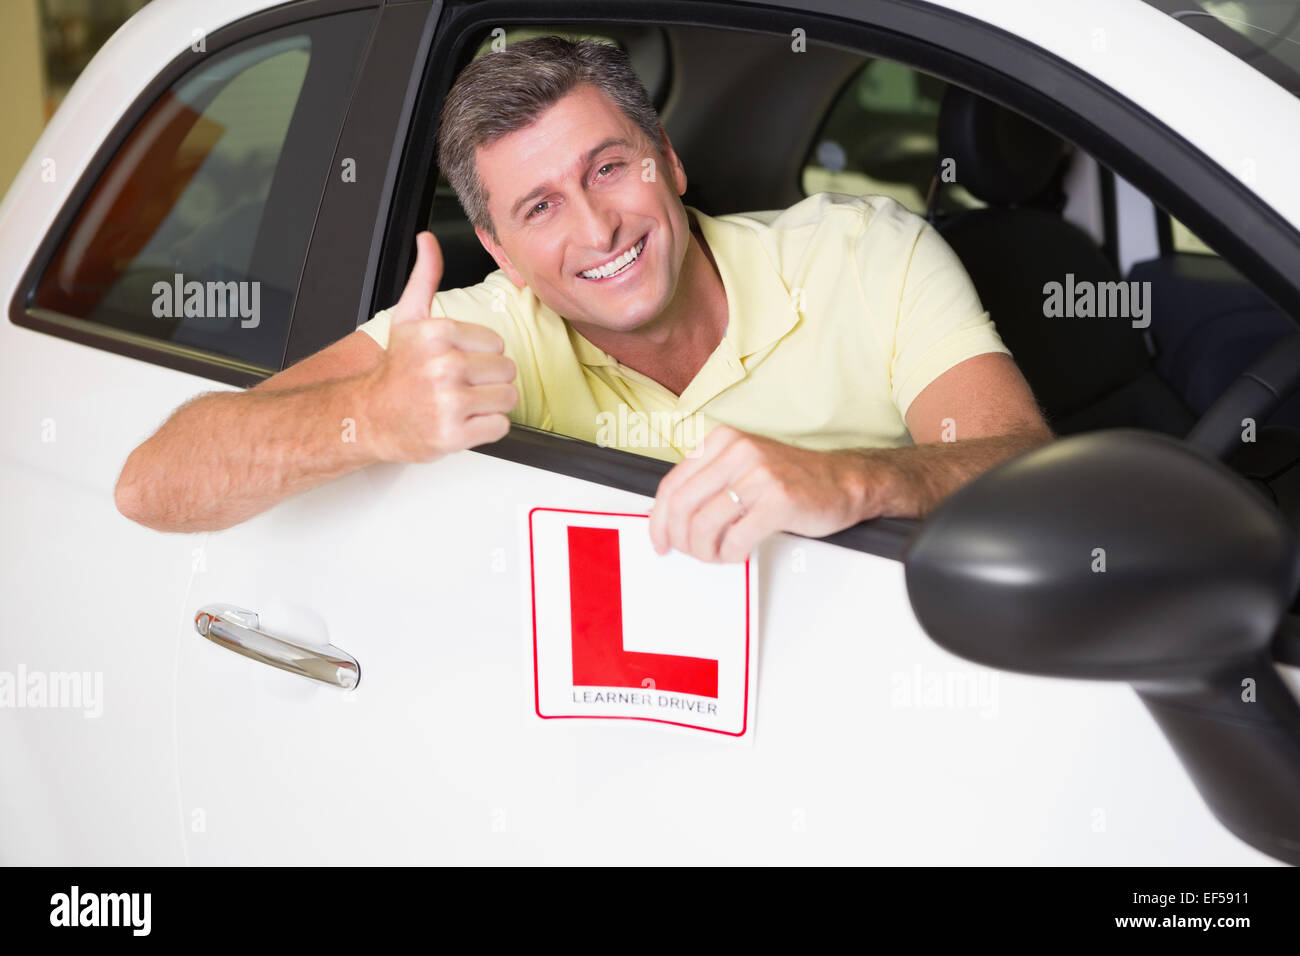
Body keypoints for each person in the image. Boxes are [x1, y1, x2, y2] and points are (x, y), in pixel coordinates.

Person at [115, 36, 1052, 564]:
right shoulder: (479, 334)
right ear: (500, 253)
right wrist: (371, 415)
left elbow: (1030, 474)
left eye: (609, 167)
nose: (598, 229)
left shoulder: (866, 253)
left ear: (668, 161)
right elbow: (155, 480)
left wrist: (856, 481)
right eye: (540, 207)